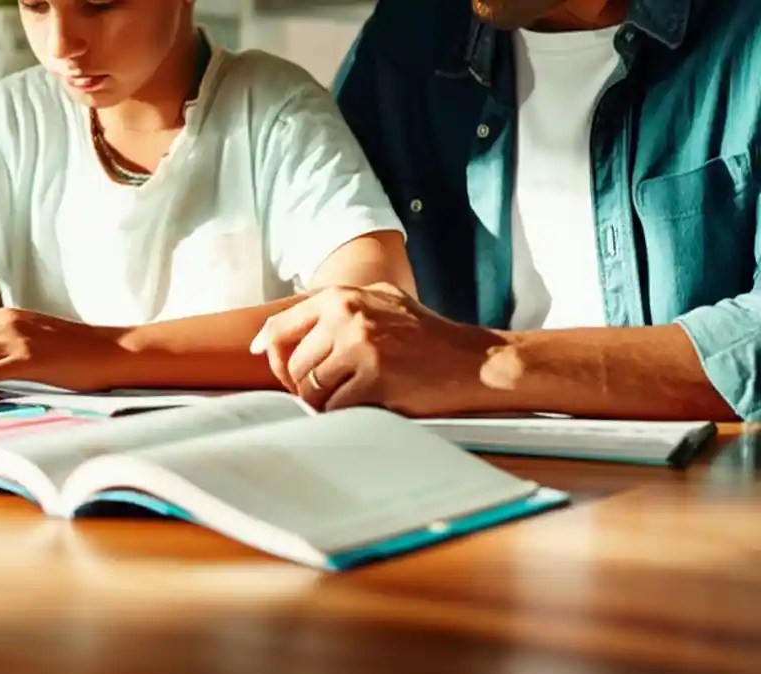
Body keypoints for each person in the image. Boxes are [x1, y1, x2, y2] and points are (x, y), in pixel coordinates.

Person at [0, 0, 411, 401]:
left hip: (246, 469)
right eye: (35, 4)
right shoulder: (19, 115)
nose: (62, 46)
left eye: (100, 3)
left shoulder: (271, 109)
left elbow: (375, 309)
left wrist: (103, 351)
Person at [254, 0, 760, 420]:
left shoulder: (744, 36)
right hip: (462, 484)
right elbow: (333, 292)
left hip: (695, 503)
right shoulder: (410, 37)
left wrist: (486, 362)